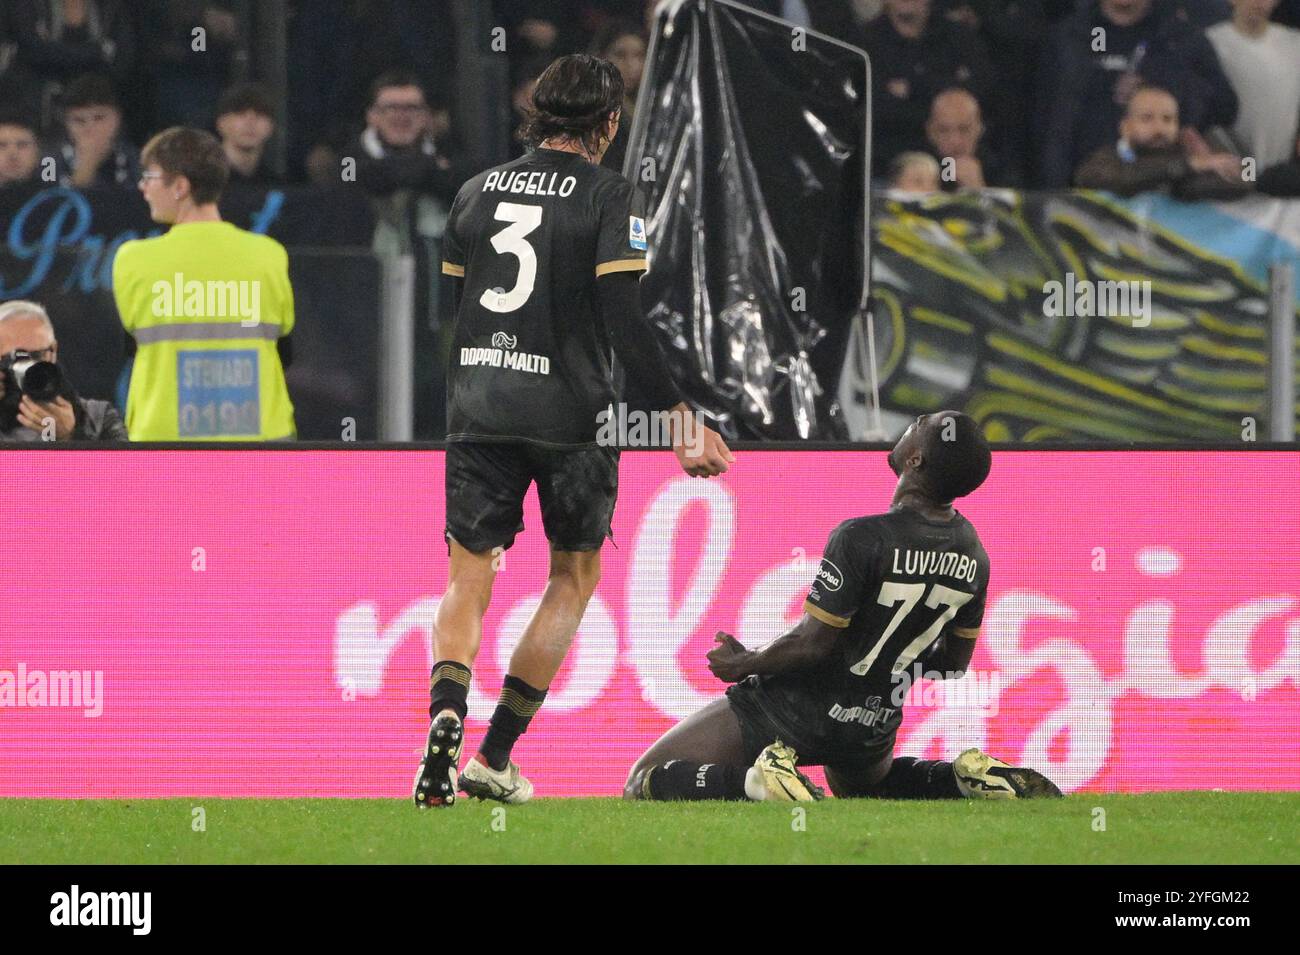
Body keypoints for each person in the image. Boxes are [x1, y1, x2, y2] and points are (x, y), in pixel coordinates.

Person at [413, 53, 734, 808]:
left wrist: (467, 398)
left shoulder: (473, 191)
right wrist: (680, 417)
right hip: (571, 417)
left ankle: (444, 716)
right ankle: (493, 756)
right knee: (573, 575)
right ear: (609, 124)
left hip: (479, 407)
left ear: (536, 114)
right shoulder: (610, 194)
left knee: (469, 576)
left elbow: (451, 321)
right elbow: (624, 317)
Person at [626, 411, 1063, 803]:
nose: (912, 421)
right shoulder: (975, 557)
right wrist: (884, 667)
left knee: (642, 778)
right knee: (863, 788)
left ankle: (757, 782)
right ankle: (956, 780)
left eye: (920, 424)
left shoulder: (861, 536)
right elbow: (952, 663)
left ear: (915, 461)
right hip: (870, 726)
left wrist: (744, 663)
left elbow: (813, 644)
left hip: (791, 711)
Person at [111, 127, 296, 440]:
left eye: (150, 177)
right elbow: (285, 343)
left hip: (164, 444)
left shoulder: (133, 259)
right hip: (262, 440)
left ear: (180, 186)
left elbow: (130, 340)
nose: (143, 187)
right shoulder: (269, 255)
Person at [1035, 0, 1238, 187]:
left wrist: (1162, 95)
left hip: (1166, 191)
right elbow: (1039, 118)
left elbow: (1225, 106)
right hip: (1078, 189)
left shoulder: (1181, 37)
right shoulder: (1068, 36)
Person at [862, 0, 998, 177]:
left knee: (963, 182)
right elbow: (877, 109)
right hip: (891, 163)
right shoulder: (864, 42)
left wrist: (913, 88)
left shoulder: (958, 36)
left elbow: (981, 90)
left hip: (953, 157)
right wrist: (945, 91)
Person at [1073, 85, 1251, 199]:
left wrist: (1207, 161)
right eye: (1147, 118)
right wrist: (1185, 167)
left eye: (1168, 119)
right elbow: (1098, 178)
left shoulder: (1194, 156)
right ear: (1125, 127)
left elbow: (1246, 180)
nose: (1159, 128)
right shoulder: (1108, 157)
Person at [0, 299, 128, 441]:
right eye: (17, 357)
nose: (30, 365)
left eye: (38, 355)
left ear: (53, 351)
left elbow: (123, 463)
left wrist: (73, 436)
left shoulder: (99, 418)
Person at [1206, 0, 1300, 170]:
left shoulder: (1294, 44)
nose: (1258, 3)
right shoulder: (1211, 42)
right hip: (1233, 163)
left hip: (1283, 168)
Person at [53, 72, 138, 188]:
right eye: (79, 120)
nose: (90, 128)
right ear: (66, 124)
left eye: (99, 118)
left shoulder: (136, 159)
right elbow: (47, 202)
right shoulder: (50, 161)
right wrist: (85, 168)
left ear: (117, 118)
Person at [924, 87, 1019, 188]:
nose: (955, 141)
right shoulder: (913, 165)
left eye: (964, 130)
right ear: (931, 131)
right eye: (943, 130)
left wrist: (978, 188)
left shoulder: (999, 170)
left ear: (979, 129)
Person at [214, 82, 280, 187]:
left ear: (271, 126)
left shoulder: (277, 186)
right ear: (221, 123)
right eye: (240, 113)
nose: (250, 122)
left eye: (260, 114)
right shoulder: (203, 181)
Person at [0, 115, 42, 188]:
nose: (13, 155)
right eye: (2, 145)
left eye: (22, 145)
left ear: (37, 152)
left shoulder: (58, 197)